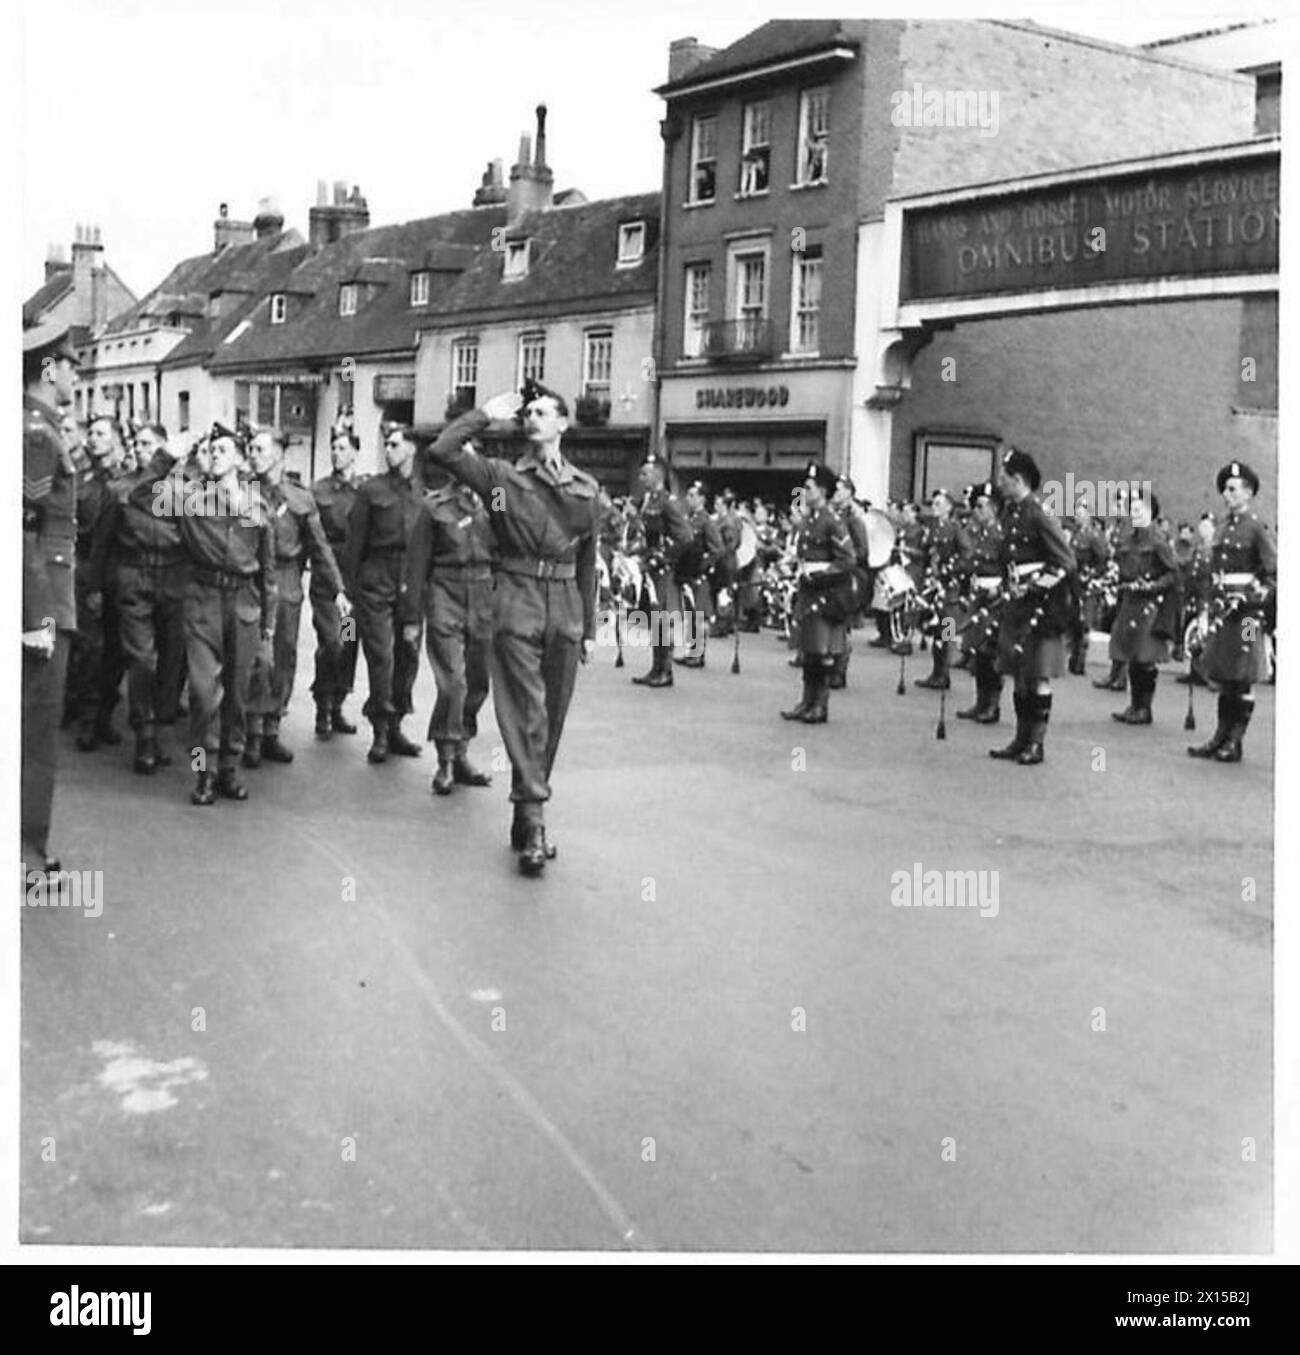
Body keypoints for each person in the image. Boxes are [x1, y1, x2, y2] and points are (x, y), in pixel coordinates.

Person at [423, 380, 603, 877]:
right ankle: (537, 820)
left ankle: (526, 809)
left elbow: (588, 558)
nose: (534, 418)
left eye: (545, 412)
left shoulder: (586, 488)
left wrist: (588, 625)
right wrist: (487, 413)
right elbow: (443, 450)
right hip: (518, 600)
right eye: (530, 413)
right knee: (528, 714)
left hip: (564, 606)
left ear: (564, 423)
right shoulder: (499, 477)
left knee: (554, 716)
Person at [173, 425, 277, 805]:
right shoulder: (190, 499)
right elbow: (141, 494)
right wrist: (181, 458)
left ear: (239, 458)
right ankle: (203, 770)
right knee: (203, 694)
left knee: (237, 691)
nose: (215, 454)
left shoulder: (257, 506)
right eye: (210, 449)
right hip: (203, 600)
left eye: (222, 449)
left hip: (244, 603)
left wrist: (268, 625)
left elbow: (268, 570)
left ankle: (228, 769)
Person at [87, 422, 189, 773]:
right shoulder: (121, 488)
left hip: (174, 579)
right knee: (141, 658)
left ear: (162, 448)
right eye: (138, 444)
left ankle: (161, 729)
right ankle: (143, 734)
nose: (140, 449)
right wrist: (97, 588)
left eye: (149, 444)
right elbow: (101, 545)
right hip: (134, 577)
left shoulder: (183, 490)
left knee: (173, 659)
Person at [244, 429, 346, 766]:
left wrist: (338, 589)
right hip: (250, 578)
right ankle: (250, 729)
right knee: (255, 656)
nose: (253, 454)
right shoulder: (241, 492)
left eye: (259, 449)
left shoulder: (300, 498)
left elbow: (320, 548)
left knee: (283, 653)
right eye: (250, 449)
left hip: (286, 579)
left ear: (276, 455)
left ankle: (272, 727)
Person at [22, 324, 81, 872]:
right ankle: (24, 856)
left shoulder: (40, 429)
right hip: (40, 605)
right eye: (70, 365)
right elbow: (22, 531)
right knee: (35, 733)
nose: (74, 374)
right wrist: (38, 616)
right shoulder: (36, 434)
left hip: (44, 598)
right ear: (48, 370)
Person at [402, 458, 496, 796]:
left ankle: (461, 750)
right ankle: (444, 756)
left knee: (476, 681)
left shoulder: (492, 500)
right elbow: (416, 565)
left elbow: (509, 541)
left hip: (483, 595)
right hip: (444, 592)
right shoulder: (433, 506)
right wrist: (412, 617)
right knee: (452, 682)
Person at [988, 448, 1076, 766]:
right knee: (1019, 674)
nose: (1000, 482)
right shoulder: (1011, 513)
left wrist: (1035, 586)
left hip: (1040, 608)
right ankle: (1020, 738)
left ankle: (1036, 744)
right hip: (1016, 605)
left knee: (1038, 676)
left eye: (1004, 477)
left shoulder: (1039, 513)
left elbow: (1065, 562)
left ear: (1019, 479)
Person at [343, 426, 425, 764]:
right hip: (376, 576)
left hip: (411, 578)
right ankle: (378, 727)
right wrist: (348, 590)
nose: (388, 450)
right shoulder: (370, 490)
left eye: (394, 445)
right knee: (381, 656)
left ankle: (396, 724)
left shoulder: (423, 493)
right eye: (386, 444)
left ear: (411, 450)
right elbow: (354, 544)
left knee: (408, 654)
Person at [1187, 461, 1275, 762]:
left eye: (1233, 489)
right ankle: (1220, 736)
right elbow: (1214, 573)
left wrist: (1252, 597)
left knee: (1244, 673)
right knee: (1225, 673)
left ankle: (1235, 742)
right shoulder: (1222, 528)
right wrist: (1207, 608)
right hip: (1225, 610)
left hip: (1249, 615)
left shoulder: (1256, 528)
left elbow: (1273, 573)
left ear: (1248, 492)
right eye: (1224, 489)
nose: (1227, 494)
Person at [68, 415, 127, 751]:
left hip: (121, 574)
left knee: (117, 651)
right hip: (89, 569)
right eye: (90, 432)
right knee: (92, 648)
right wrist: (90, 583)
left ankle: (105, 715)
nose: (93, 438)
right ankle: (88, 721)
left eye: (102, 433)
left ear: (116, 440)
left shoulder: (127, 480)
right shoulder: (79, 478)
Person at [780, 463, 855, 724]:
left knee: (822, 652)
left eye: (809, 487)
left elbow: (848, 558)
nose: (804, 490)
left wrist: (823, 574)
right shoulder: (809, 520)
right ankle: (806, 701)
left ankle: (820, 705)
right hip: (808, 590)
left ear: (821, 491)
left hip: (825, 593)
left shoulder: (831, 521)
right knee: (809, 649)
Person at [1107, 490, 1180, 725]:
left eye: (1140, 509)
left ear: (1151, 513)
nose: (1135, 513)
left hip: (1149, 605)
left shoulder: (1158, 541)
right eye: (1133, 509)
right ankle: (1134, 705)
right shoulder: (1128, 541)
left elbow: (1173, 575)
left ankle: (1145, 708)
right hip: (1130, 603)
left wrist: (1152, 585)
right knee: (1130, 654)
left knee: (1144, 658)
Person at [310, 429, 364, 738]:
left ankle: (337, 704)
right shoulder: (318, 491)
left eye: (342, 448)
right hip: (326, 583)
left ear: (355, 452)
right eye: (333, 447)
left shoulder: (364, 490)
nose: (336, 453)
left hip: (353, 580)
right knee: (332, 642)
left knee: (348, 644)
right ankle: (322, 705)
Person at [629, 454, 692, 689]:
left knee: (663, 617)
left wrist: (665, 556)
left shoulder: (668, 501)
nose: (640, 477)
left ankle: (665, 670)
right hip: (651, 568)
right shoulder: (649, 500)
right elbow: (648, 534)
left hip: (664, 570)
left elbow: (685, 537)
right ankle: (656, 668)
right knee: (654, 618)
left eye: (645, 473)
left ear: (657, 475)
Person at [913, 487, 972, 691]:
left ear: (948, 507)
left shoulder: (956, 528)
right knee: (934, 626)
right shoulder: (933, 527)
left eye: (939, 504)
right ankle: (936, 671)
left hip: (949, 586)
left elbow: (967, 556)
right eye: (933, 504)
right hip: (934, 583)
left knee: (946, 628)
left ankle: (944, 672)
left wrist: (951, 570)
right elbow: (927, 552)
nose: (934, 508)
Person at [955, 481, 1005, 724]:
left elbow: (1010, 567)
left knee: (989, 651)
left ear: (994, 508)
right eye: (976, 506)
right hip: (974, 593)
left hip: (993, 599)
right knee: (975, 649)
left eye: (982, 506)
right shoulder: (979, 532)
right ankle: (979, 700)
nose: (977, 511)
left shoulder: (1000, 534)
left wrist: (1000, 588)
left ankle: (991, 704)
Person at [673, 480, 724, 669]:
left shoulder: (706, 521)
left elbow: (717, 549)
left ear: (702, 498)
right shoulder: (689, 519)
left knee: (698, 614)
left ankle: (698, 653)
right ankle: (690, 650)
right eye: (688, 495)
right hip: (687, 572)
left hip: (698, 574)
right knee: (690, 613)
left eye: (693, 495)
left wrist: (703, 565)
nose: (689, 499)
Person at [828, 475, 871, 689]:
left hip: (847, 577)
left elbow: (863, 552)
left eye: (839, 489)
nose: (835, 493)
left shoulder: (854, 520)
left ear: (849, 493)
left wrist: (844, 557)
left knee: (842, 625)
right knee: (830, 623)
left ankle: (840, 670)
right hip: (832, 577)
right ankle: (830, 666)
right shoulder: (833, 516)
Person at [1066, 505, 1111, 675]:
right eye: (1076, 514)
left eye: (1080, 514)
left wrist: (1091, 576)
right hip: (1075, 584)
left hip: (1088, 586)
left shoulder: (1094, 536)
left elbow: (1102, 560)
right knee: (1074, 622)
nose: (1077, 517)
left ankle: (1080, 661)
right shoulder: (1077, 534)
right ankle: (1073, 657)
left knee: (1085, 624)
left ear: (1088, 517)